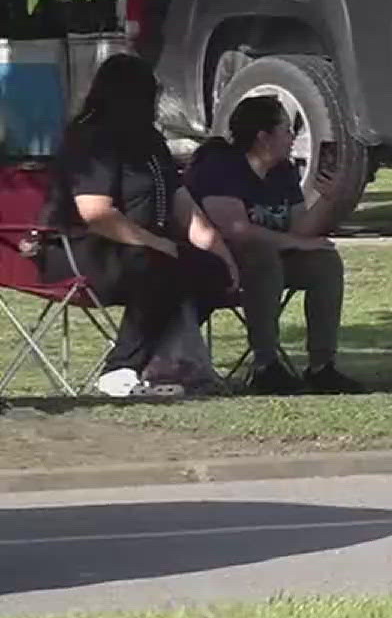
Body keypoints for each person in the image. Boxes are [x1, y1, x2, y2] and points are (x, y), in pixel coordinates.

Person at [36, 54, 239, 397]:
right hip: (80, 250)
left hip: (142, 250)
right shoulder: (92, 141)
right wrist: (156, 244)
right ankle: (120, 368)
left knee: (209, 270)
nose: (156, 104)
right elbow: (96, 213)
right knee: (157, 268)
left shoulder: (150, 142)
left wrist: (221, 253)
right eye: (151, 96)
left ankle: (166, 361)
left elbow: (183, 206)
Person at [185, 95, 363, 395]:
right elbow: (235, 229)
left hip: (272, 260)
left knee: (324, 261)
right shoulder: (222, 167)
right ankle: (265, 365)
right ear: (263, 137)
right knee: (263, 256)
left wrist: (327, 198)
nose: (292, 137)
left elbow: (299, 228)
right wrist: (295, 242)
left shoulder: (283, 171)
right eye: (285, 129)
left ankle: (322, 365)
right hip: (221, 262)